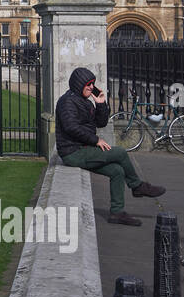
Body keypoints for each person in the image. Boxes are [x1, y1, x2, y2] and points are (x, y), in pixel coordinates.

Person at [56, 66, 165, 226]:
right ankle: (137, 186)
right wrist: (95, 140)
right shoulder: (67, 102)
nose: (91, 87)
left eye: (93, 84)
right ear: (79, 85)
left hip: (83, 149)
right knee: (120, 152)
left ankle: (117, 213)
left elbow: (101, 123)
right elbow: (71, 127)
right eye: (88, 84)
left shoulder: (84, 102)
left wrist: (100, 103)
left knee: (117, 171)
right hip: (73, 152)